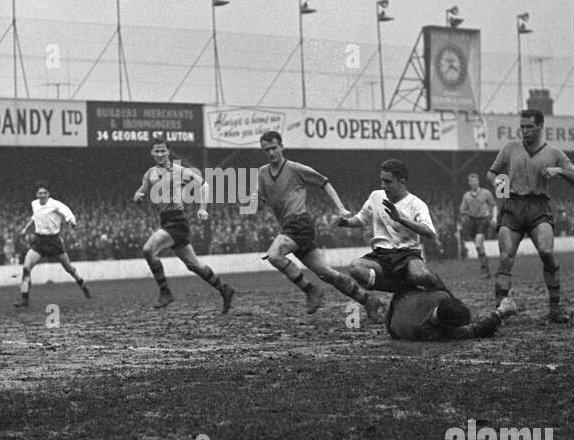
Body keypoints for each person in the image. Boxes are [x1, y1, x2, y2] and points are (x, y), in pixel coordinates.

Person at [256, 130, 380, 317]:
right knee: (327, 273)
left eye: (274, 148)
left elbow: (324, 183)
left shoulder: (295, 169)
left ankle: (310, 290)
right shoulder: (262, 173)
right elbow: (260, 202)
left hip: (300, 223)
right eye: (266, 150)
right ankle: (368, 300)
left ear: (282, 146)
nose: (271, 153)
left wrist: (340, 207)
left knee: (274, 256)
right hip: (289, 228)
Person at [487, 109, 574, 324]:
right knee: (505, 258)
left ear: (540, 126)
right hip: (513, 205)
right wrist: (499, 186)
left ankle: (555, 308)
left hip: (539, 207)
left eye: (529, 127)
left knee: (547, 252)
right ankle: (499, 312)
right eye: (522, 127)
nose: (525, 131)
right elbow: (493, 172)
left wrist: (559, 171)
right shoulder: (510, 148)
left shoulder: (554, 153)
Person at [133, 138, 235, 312]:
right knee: (194, 265)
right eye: (156, 151)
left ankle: (165, 292)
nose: (159, 154)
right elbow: (141, 192)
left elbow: (205, 185)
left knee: (148, 249)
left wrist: (202, 208)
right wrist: (138, 197)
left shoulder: (179, 171)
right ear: (151, 152)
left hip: (177, 221)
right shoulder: (149, 173)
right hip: (165, 221)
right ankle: (225, 289)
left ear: (168, 152)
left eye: (162, 151)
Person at [336, 158, 442, 297]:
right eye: (382, 180)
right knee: (356, 268)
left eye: (388, 182)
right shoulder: (376, 196)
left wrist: (401, 219)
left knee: (421, 275)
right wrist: (345, 222)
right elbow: (362, 218)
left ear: (402, 182)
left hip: (406, 253)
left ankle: (441, 289)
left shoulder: (416, 204)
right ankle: (403, 289)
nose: (383, 185)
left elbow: (430, 233)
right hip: (381, 255)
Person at [13, 183, 91, 308]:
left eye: (45, 193)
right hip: (39, 241)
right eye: (40, 193)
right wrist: (25, 229)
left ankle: (83, 285)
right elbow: (34, 217)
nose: (42, 195)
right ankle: (24, 298)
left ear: (48, 194)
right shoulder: (34, 204)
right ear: (37, 194)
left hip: (54, 241)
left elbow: (67, 212)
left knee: (69, 268)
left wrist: (72, 221)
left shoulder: (55, 204)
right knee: (26, 268)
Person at [386, 274, 518, 341]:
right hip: (394, 320)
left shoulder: (439, 296)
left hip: (398, 308)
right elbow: (475, 331)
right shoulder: (430, 331)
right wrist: (501, 311)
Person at [458, 171, 498, 277]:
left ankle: (484, 270)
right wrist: (465, 215)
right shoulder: (466, 196)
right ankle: (486, 269)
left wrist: (494, 218)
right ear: (469, 183)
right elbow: (462, 210)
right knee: (479, 246)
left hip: (483, 220)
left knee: (478, 242)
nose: (473, 183)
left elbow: (494, 205)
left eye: (475, 181)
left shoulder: (486, 193)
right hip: (472, 221)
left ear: (478, 181)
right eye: (471, 181)